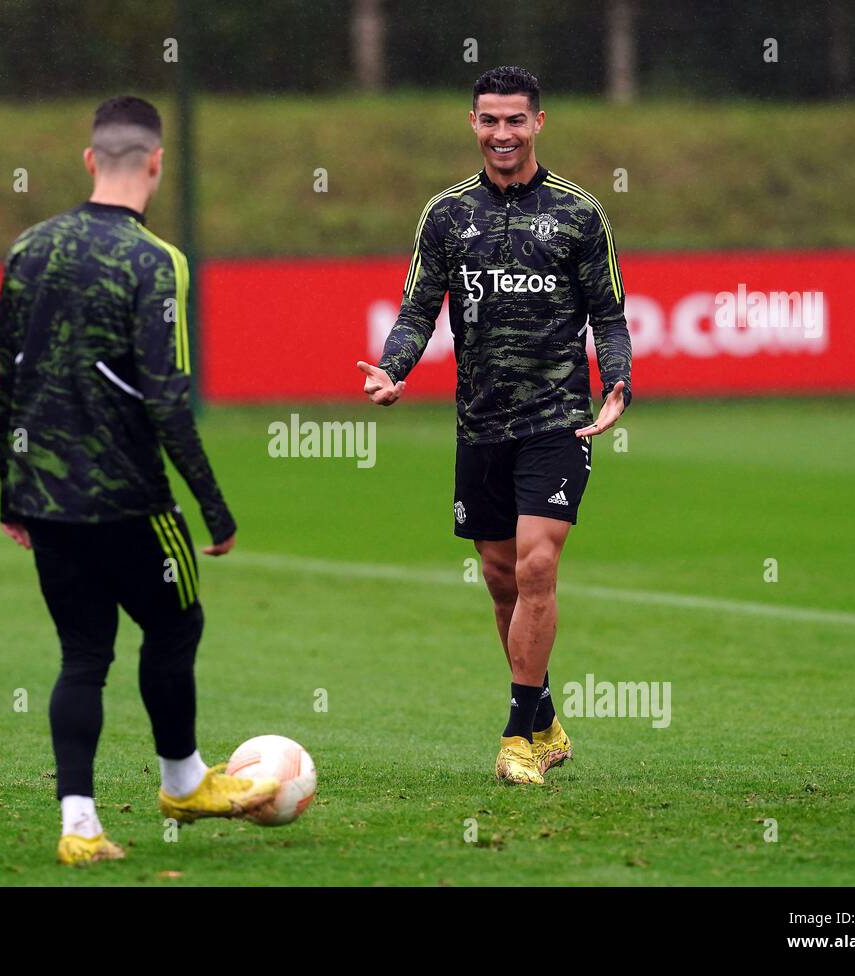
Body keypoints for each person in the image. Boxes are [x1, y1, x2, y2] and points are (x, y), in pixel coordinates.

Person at [0, 95, 277, 865]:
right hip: (129, 502)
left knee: (83, 654)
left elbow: (2, 381)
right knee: (176, 626)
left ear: (90, 160)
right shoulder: (158, 261)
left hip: (47, 499)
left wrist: (10, 493)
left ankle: (79, 825)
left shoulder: (29, 248)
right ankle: (182, 781)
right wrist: (213, 507)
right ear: (156, 161)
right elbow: (166, 399)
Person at [358, 67, 633, 785]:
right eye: (490, 120)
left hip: (558, 419)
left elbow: (608, 314)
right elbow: (419, 308)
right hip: (479, 422)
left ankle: (516, 737)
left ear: (539, 123)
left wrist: (619, 383)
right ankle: (543, 714)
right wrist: (395, 368)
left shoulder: (579, 213)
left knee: (538, 563)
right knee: (501, 575)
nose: (502, 133)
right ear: (472, 123)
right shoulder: (446, 215)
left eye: (515, 120)